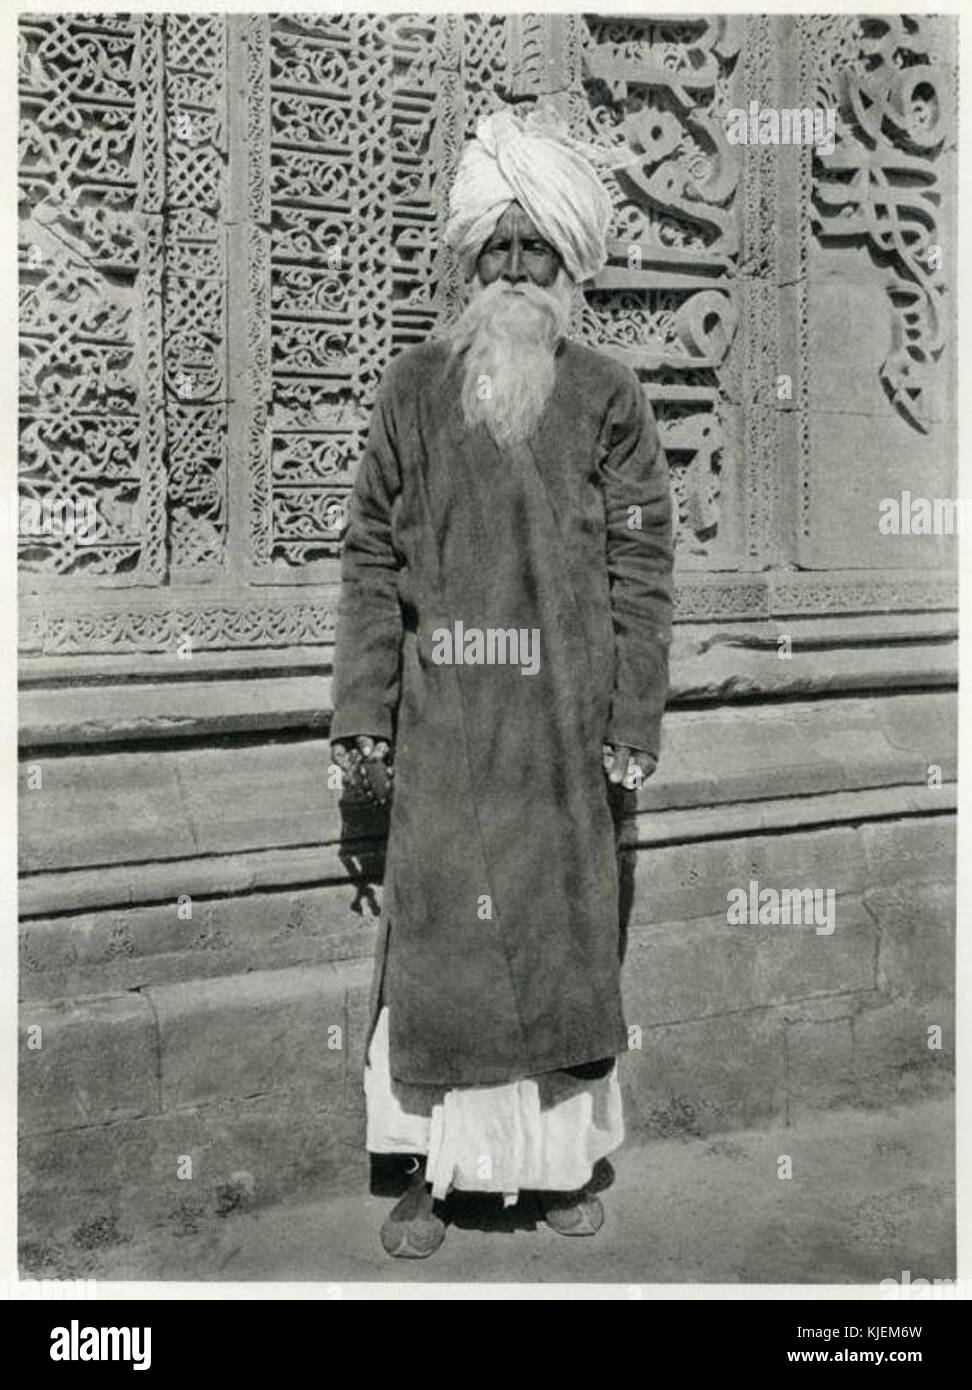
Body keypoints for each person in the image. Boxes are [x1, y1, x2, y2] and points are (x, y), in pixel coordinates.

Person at [330, 107, 674, 1258]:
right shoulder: (413, 391)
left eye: (540, 251)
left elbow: (641, 563)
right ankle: (432, 1177)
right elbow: (373, 558)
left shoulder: (609, 396)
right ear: (469, 260)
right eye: (501, 250)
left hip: (567, 745)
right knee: (443, 966)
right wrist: (362, 717)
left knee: (568, 959)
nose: (520, 271)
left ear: (569, 266)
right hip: (445, 736)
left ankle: (562, 1171)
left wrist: (632, 716)